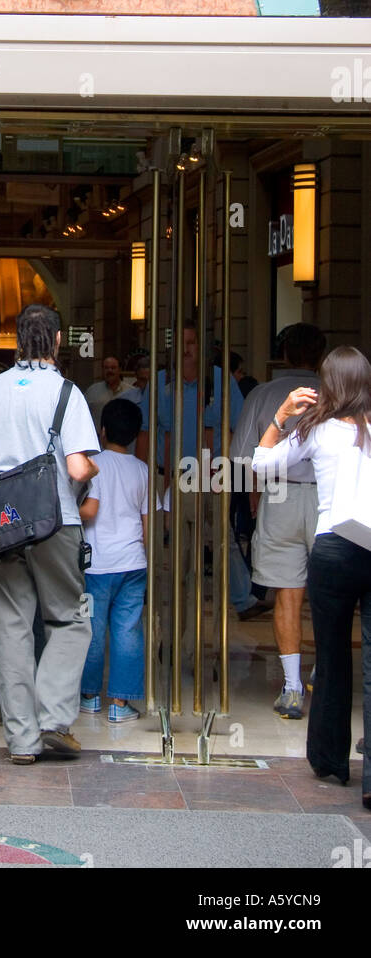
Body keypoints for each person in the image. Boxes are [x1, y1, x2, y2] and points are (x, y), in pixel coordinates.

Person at [0, 304, 99, 764]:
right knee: (69, 619)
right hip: (54, 519)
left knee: (15, 627)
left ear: (18, 342)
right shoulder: (66, 392)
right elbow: (78, 466)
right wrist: (93, 467)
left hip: (3, 523)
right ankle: (52, 719)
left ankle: (21, 742)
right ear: (58, 341)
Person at [251, 346, 371, 807]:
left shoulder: (317, 430)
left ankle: (330, 760)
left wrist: (280, 416)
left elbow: (261, 466)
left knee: (334, 656)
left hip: (335, 547)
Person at [231, 323, 326, 719]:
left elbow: (241, 456)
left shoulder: (265, 393)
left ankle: (290, 687)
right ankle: (324, 674)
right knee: (328, 593)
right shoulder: (338, 393)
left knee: (287, 593)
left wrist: (254, 494)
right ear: (320, 355)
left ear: (284, 354)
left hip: (279, 493)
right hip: (328, 496)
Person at [137, 322, 249, 653]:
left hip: (209, 479)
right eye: (181, 342)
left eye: (192, 342)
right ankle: (169, 640)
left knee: (213, 560)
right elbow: (145, 432)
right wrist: (144, 483)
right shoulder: (160, 382)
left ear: (202, 347)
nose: (186, 348)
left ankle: (213, 641)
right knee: (172, 567)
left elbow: (236, 430)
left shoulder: (220, 379)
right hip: (167, 479)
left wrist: (230, 478)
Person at [79, 398, 150, 723]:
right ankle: (120, 703)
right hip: (133, 562)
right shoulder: (142, 469)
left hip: (97, 565)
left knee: (91, 629)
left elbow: (90, 511)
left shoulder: (94, 464)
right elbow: (147, 522)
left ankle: (90, 696)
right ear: (135, 435)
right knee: (128, 630)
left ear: (102, 431)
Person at [84, 355, 134, 430]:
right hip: (97, 439)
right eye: (106, 368)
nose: (109, 371)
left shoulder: (131, 392)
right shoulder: (92, 391)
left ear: (120, 369)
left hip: (124, 439)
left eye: (113, 368)